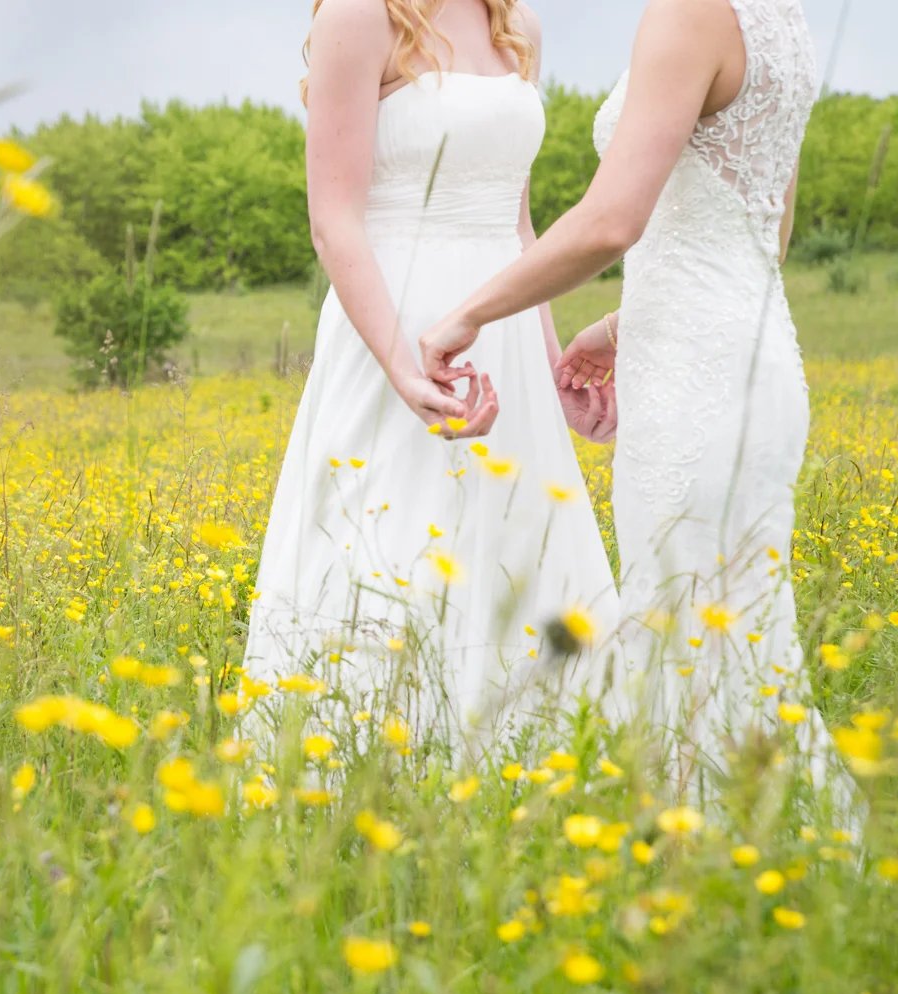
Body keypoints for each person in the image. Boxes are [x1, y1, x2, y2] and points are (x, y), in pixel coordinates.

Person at [416, 0, 826, 787]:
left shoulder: (689, 12)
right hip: (761, 360)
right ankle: (774, 861)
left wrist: (469, 312)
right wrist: (621, 326)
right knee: (749, 651)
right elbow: (766, 234)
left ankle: (699, 868)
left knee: (686, 650)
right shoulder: (783, 17)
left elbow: (610, 222)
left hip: (695, 379)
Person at [243, 0, 620, 754]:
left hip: (502, 327)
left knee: (515, 545)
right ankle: (365, 770)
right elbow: (334, 220)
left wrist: (553, 373)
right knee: (392, 549)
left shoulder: (519, 26)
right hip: (396, 323)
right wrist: (399, 363)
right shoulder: (357, 17)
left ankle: (523, 768)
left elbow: (518, 227)